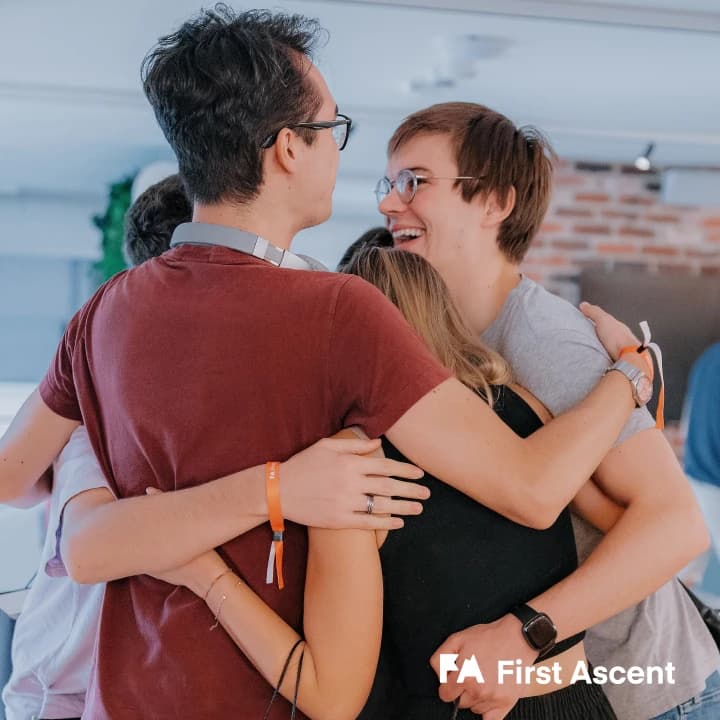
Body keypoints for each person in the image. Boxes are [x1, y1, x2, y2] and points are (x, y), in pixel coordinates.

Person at [1, 8, 646, 719]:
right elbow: (530, 488)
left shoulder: (104, 310)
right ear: (288, 148)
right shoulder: (338, 312)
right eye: (333, 129)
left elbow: (12, 479)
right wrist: (629, 375)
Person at [377, 101, 718, 719]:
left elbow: (676, 526)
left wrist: (523, 634)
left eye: (414, 181)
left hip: (651, 692)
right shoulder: (452, 337)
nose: (389, 204)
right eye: (390, 183)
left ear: (494, 203)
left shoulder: (545, 337)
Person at [683, 343, 720, 592]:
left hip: (694, 477)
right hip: (712, 479)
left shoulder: (709, 358)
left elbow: (686, 429)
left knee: (683, 577)